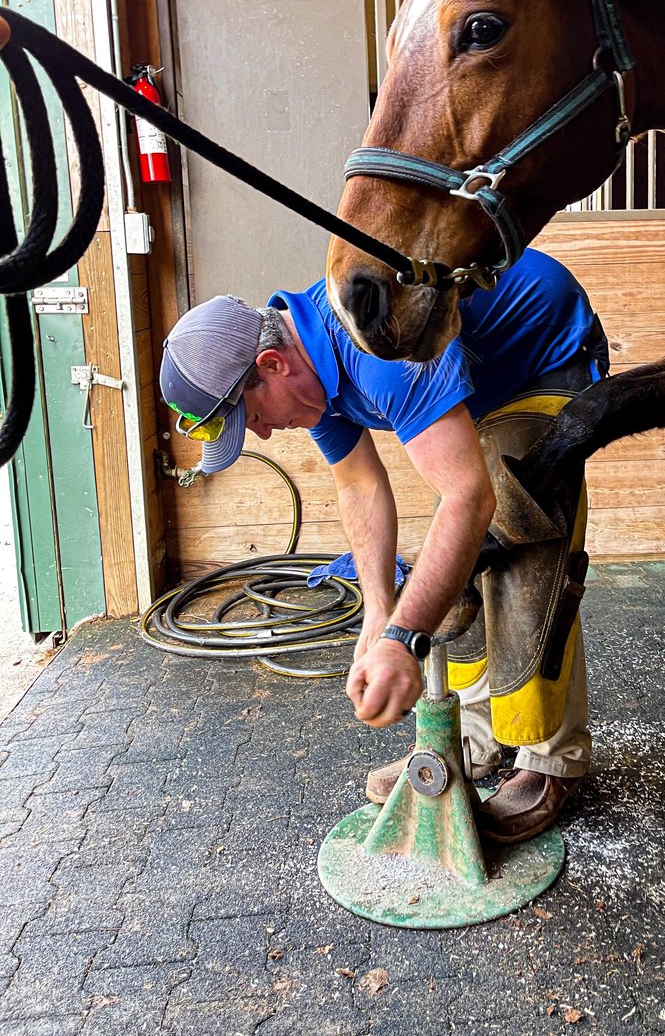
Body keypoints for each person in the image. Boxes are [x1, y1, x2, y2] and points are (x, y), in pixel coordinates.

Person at [159, 248, 609, 843]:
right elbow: (360, 486)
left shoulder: (379, 352)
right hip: (483, 376)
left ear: (271, 363)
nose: (264, 432)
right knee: (456, 569)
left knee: (521, 543)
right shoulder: (313, 371)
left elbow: (469, 499)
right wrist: (379, 610)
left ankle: (551, 759)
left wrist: (402, 639)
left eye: (253, 417)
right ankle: (474, 739)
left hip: (543, 360)